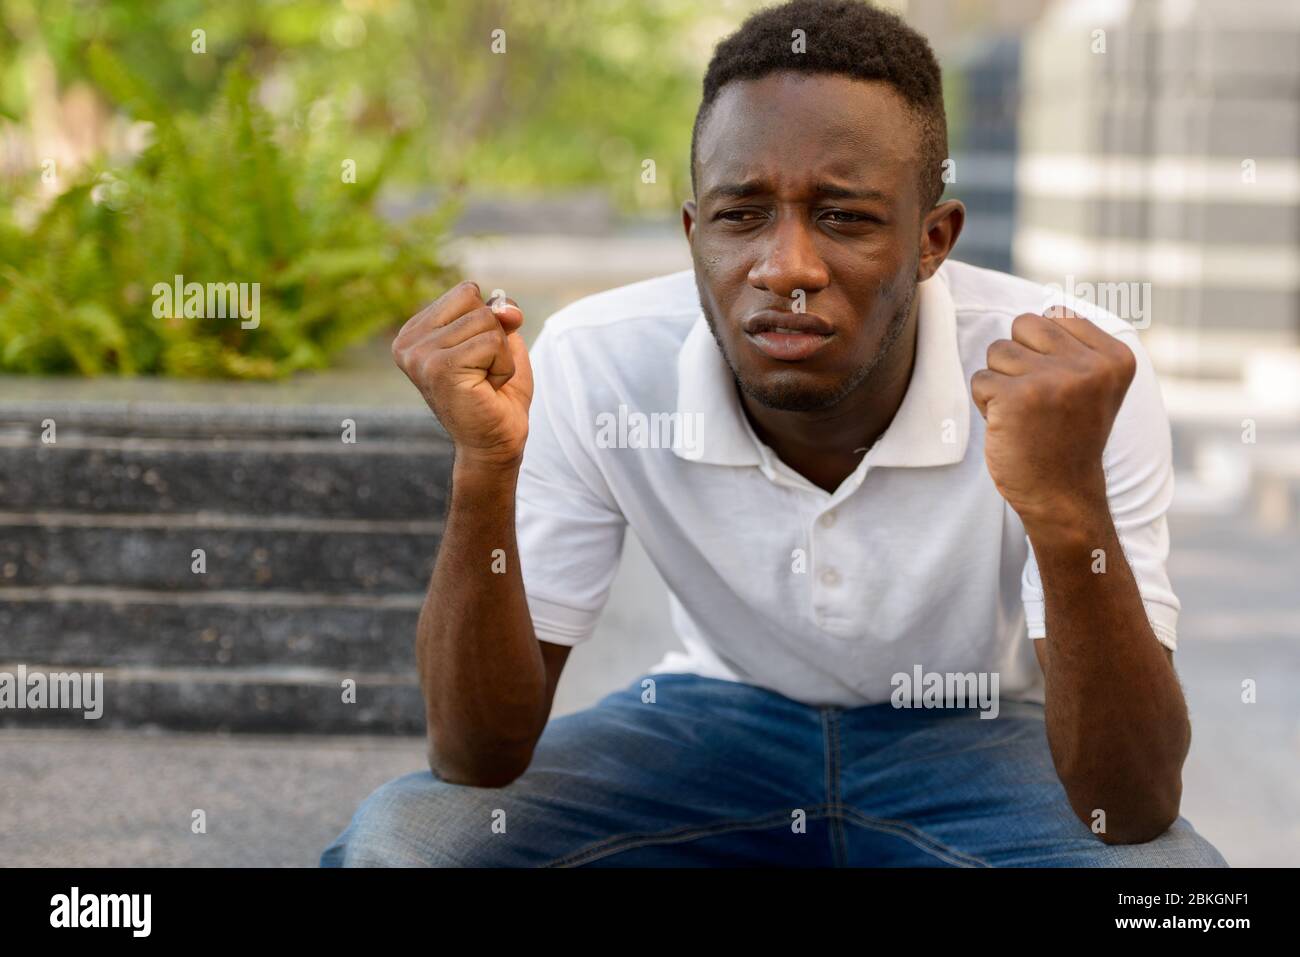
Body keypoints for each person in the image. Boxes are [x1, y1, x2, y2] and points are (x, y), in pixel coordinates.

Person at [321, 0, 1227, 867]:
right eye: (740, 214)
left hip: (979, 735)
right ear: (692, 232)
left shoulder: (1070, 375)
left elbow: (1133, 802)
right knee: (405, 842)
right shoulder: (601, 360)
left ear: (933, 239)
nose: (786, 267)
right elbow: (477, 757)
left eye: (845, 217)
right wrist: (485, 468)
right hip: (711, 726)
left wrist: (1066, 504)